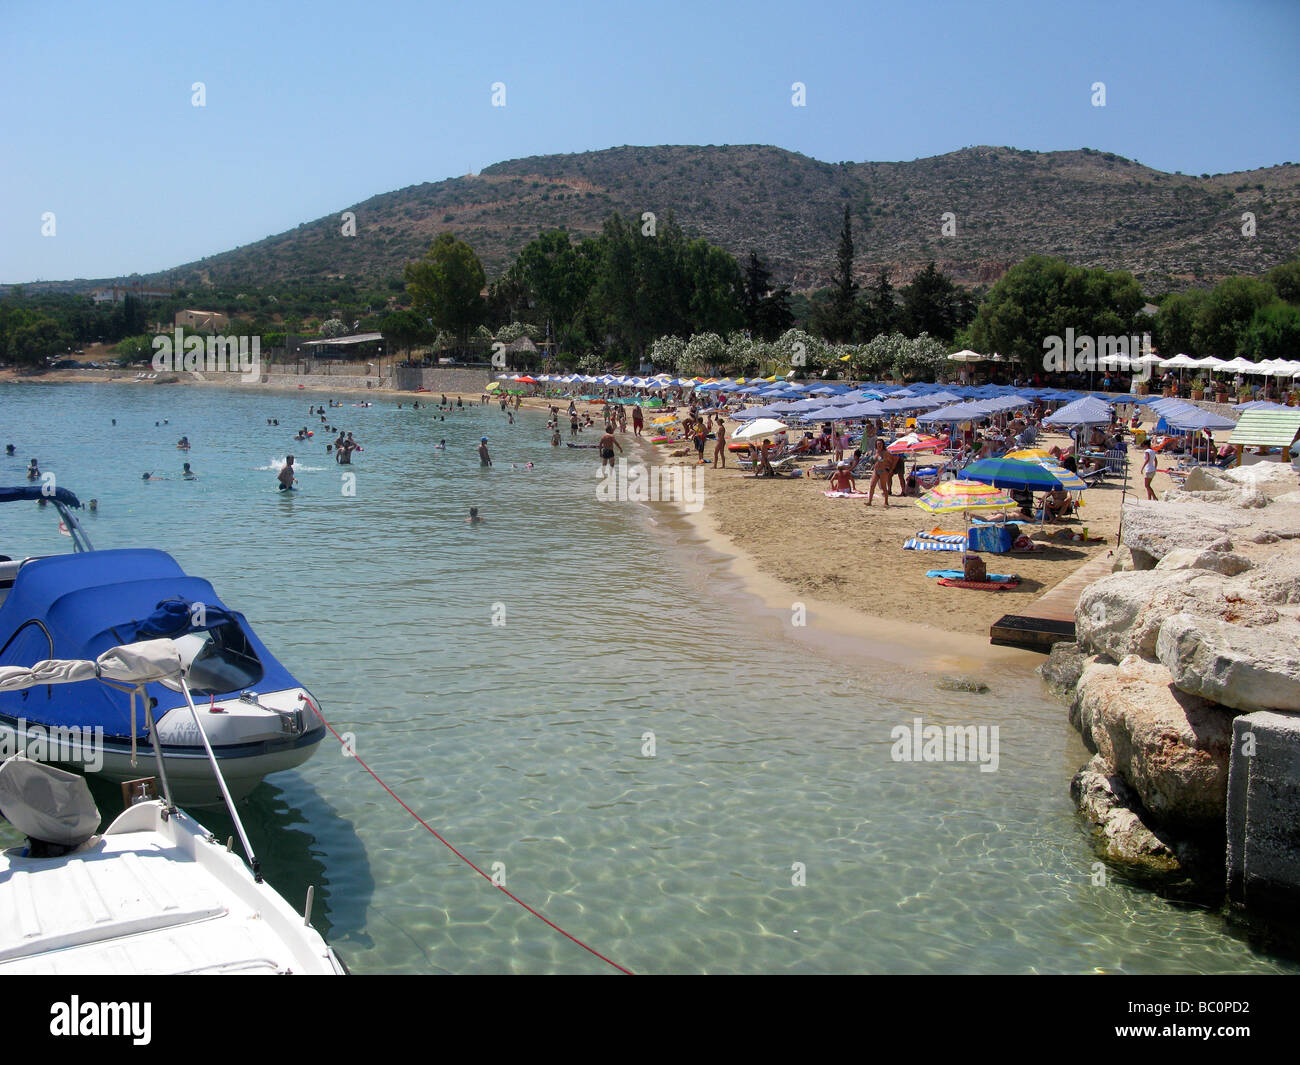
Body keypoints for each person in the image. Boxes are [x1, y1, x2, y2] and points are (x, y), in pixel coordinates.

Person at [866, 439, 893, 507]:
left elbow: (890, 461)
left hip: (883, 471)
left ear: (883, 444)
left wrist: (888, 468)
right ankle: (869, 501)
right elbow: (874, 460)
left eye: (880, 444)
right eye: (878, 444)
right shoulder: (875, 452)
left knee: (883, 487)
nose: (879, 445)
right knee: (872, 485)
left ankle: (886, 502)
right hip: (876, 470)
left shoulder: (885, 453)